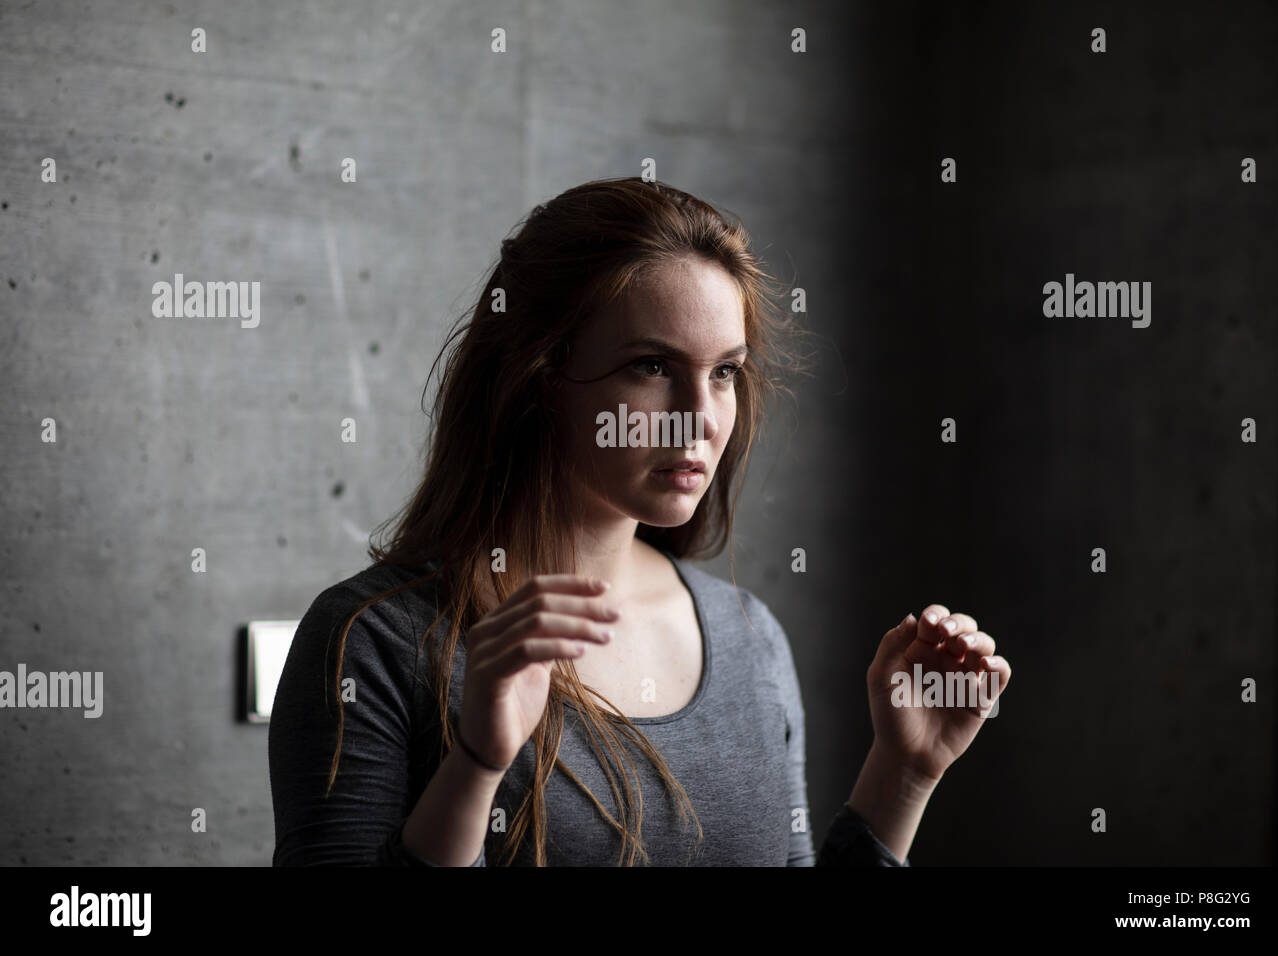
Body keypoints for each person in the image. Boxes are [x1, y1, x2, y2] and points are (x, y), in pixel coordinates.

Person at [268, 176, 1012, 866]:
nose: (700, 420)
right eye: (651, 366)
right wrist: (477, 768)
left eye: (724, 372)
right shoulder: (371, 643)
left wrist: (903, 774)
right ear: (537, 378)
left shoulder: (749, 638)